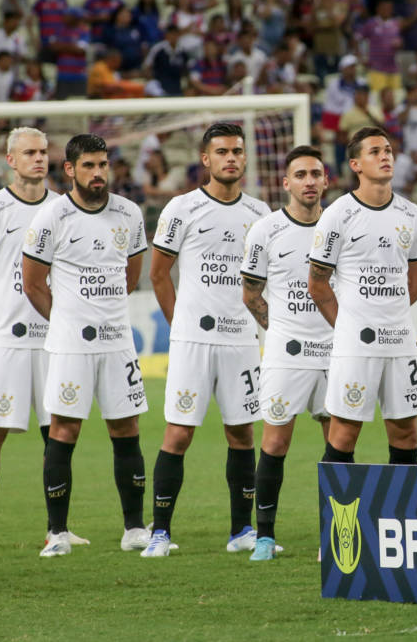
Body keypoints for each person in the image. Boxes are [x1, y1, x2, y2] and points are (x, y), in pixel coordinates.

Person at [141, 123, 269, 558]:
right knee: (178, 434)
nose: (231, 158)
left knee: (242, 434)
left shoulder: (260, 213)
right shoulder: (181, 209)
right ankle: (159, 531)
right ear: (206, 159)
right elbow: (159, 273)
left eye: (237, 150)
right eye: (222, 151)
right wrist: (181, 326)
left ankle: (241, 532)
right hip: (193, 341)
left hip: (241, 341)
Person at [21, 134, 150, 557]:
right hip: (70, 346)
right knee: (64, 429)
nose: (98, 173)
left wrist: (105, 313)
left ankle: (134, 529)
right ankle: (57, 533)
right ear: (70, 170)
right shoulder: (51, 218)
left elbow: (131, 276)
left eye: (103, 164)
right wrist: (66, 322)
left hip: (117, 344)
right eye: (89, 166)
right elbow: (33, 283)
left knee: (126, 429)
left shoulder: (129, 214)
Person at [0, 128, 81, 551]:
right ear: (10, 160)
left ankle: (58, 529)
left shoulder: (64, 209)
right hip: (7, 342)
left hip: (55, 342)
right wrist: (3, 311)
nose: (38, 158)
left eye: (43, 152)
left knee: (58, 435)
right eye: (29, 152)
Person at [308, 127, 417, 466]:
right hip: (355, 344)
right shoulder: (337, 215)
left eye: (388, 150)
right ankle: (340, 519)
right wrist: (348, 324)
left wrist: (389, 315)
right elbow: (317, 284)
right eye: (375, 151)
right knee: (345, 431)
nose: (385, 156)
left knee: (406, 432)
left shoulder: (413, 215)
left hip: (401, 340)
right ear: (356, 164)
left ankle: (400, 516)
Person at [240, 145, 332, 561]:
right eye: (301, 175)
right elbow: (251, 292)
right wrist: (277, 331)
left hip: (334, 351)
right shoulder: (266, 231)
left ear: (326, 180)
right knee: (275, 442)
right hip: (286, 353)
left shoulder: (339, 225)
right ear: (287, 183)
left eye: (316, 173)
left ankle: (334, 533)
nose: (309, 181)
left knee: (339, 444)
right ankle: (264, 536)